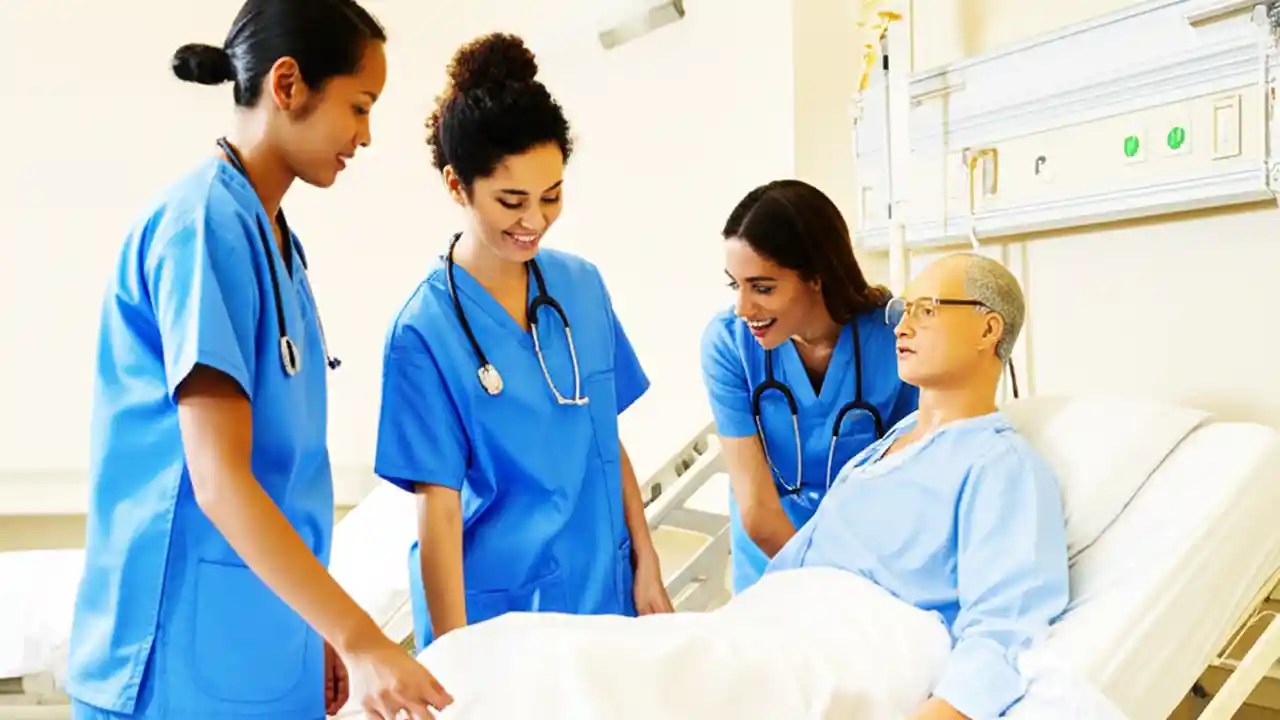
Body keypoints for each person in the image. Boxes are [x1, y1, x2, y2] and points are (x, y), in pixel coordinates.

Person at [400, 252, 1073, 720]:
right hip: (770, 623)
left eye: (928, 309)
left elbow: (1004, 624)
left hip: (850, 647)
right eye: (905, 308)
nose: (902, 323)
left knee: (580, 675)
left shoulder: (998, 464)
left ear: (989, 328)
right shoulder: (890, 450)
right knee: (534, 656)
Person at [67, 2, 452, 718]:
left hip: (257, 649)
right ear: (288, 84)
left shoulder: (273, 237)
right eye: (359, 107)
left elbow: (286, 476)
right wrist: (359, 636)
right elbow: (217, 479)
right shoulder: (203, 224)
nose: (365, 136)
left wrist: (315, 629)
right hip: (177, 656)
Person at [373, 32, 672, 654]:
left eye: (552, 196)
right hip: (499, 615)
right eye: (512, 201)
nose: (534, 220)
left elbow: (604, 435)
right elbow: (438, 507)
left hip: (605, 591)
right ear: (458, 186)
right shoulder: (424, 331)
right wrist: (454, 658)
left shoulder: (581, 287)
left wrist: (647, 560)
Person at [700, 179, 919, 593]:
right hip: (774, 564)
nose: (743, 308)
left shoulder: (899, 336)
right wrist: (824, 589)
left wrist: (866, 587)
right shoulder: (729, 343)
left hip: (871, 568)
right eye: (736, 285)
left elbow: (915, 480)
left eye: (762, 287)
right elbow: (757, 508)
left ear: (817, 276)